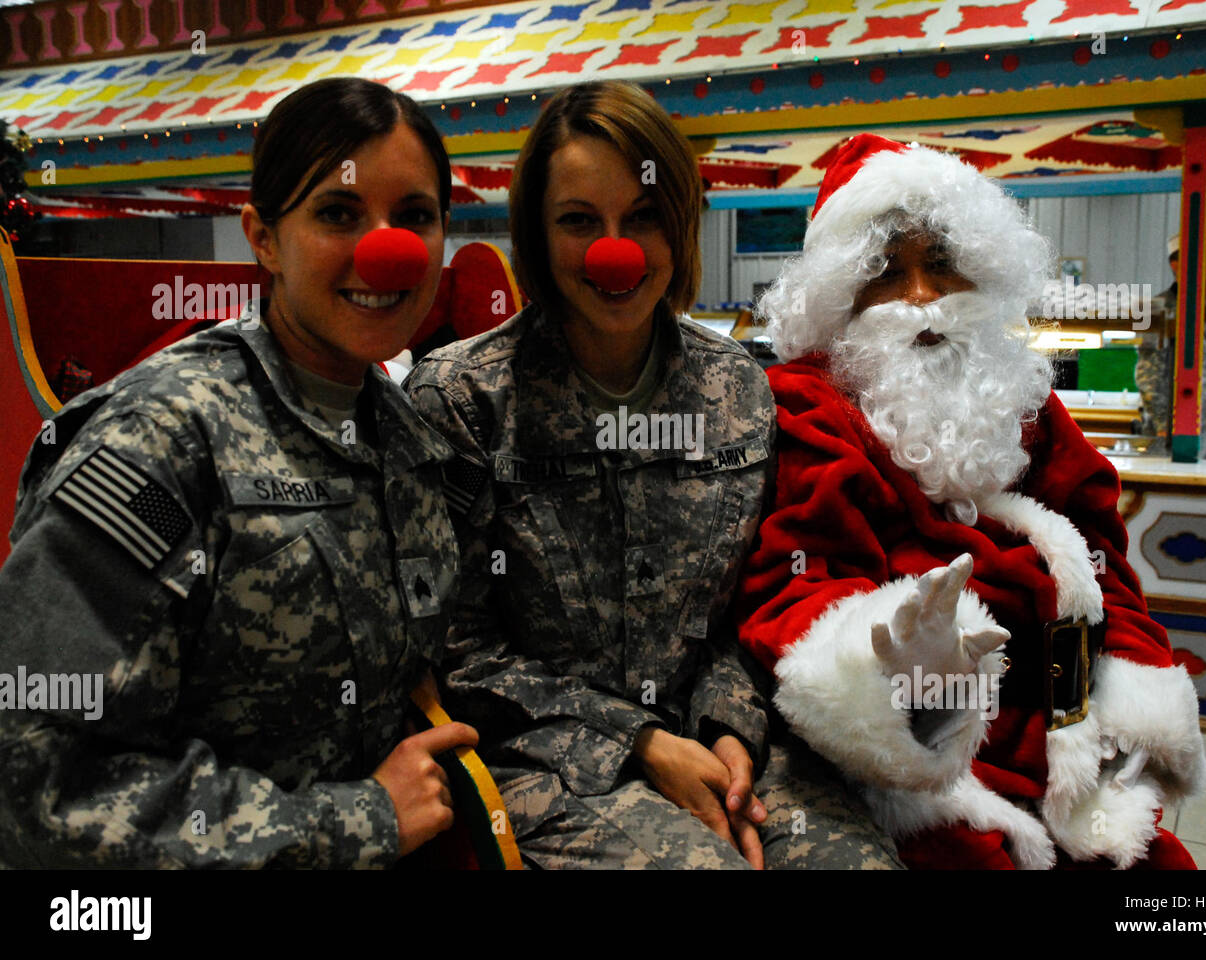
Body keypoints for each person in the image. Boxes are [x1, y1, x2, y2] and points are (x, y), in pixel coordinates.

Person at [407, 81, 899, 870]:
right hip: (548, 761)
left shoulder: (736, 389)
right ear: (537, 234)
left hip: (723, 742)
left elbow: (756, 601)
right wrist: (640, 744)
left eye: (640, 218)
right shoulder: (463, 397)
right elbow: (455, 647)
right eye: (579, 222)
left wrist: (730, 730)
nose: (617, 250)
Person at [0, 77, 477, 868]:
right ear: (262, 237)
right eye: (337, 214)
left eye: (415, 218)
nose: (385, 247)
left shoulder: (404, 438)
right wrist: (356, 822)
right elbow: (35, 781)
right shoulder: (160, 446)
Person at [736, 133, 1206, 870]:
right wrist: (903, 674)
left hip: (1063, 744)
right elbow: (798, 588)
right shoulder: (808, 409)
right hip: (921, 765)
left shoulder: (1027, 402)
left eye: (943, 265)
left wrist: (1134, 695)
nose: (922, 297)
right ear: (840, 295)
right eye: (888, 273)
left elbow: (1106, 559)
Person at [1134, 233, 1206, 458]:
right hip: (1172, 427)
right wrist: (1161, 424)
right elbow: (1149, 375)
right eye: (1199, 258)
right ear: (1175, 264)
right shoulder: (1158, 309)